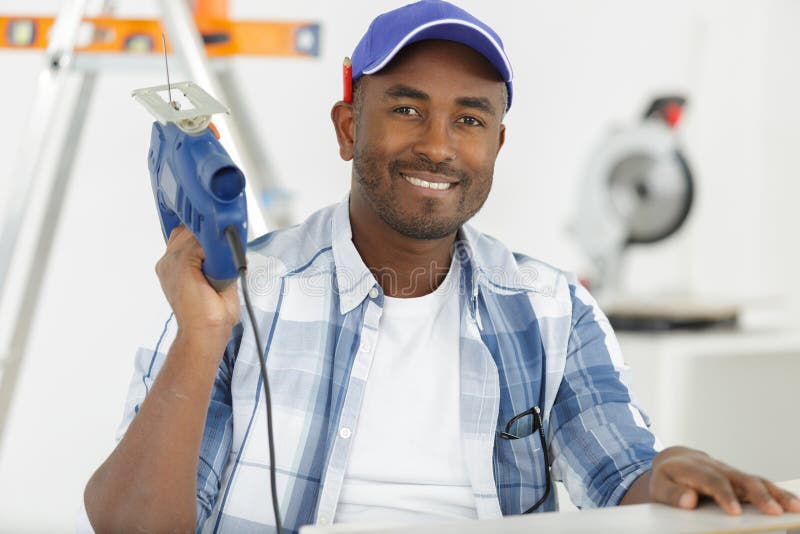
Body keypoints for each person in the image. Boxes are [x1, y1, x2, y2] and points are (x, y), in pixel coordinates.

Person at [84, 1, 800, 532]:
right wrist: (202, 336)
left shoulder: (552, 308)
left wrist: (666, 474)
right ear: (347, 127)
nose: (438, 145)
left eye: (470, 119)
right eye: (407, 109)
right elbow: (131, 526)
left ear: (496, 145)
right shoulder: (241, 294)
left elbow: (621, 476)